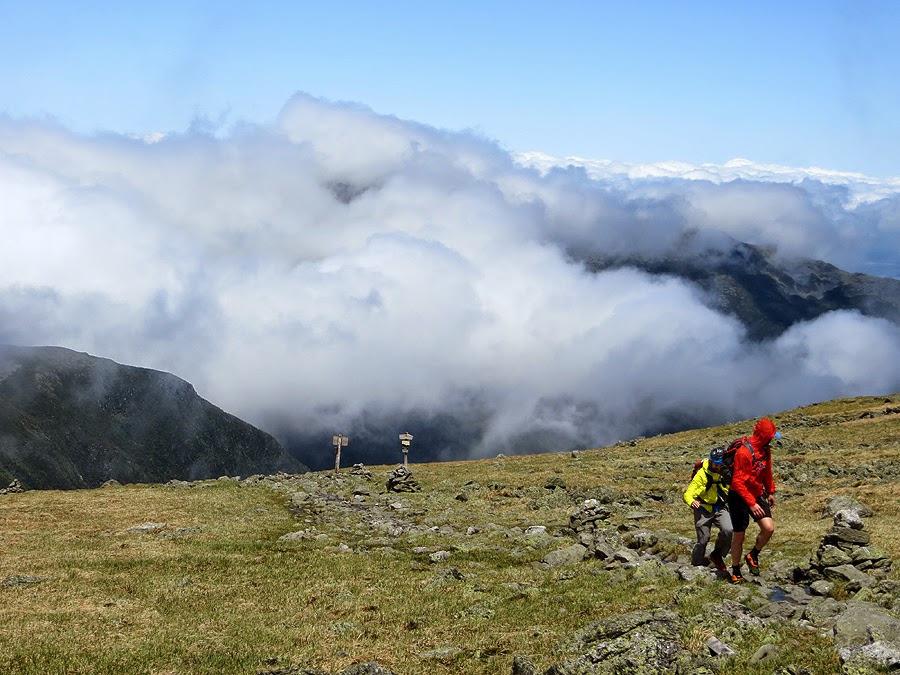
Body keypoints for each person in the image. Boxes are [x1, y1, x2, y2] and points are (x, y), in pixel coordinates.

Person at [727, 417, 781, 582]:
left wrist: (770, 491)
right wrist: (751, 503)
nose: (773, 439)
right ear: (764, 436)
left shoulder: (766, 449)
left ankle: (753, 554)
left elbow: (767, 470)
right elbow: (737, 481)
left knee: (768, 528)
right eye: (771, 436)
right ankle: (736, 571)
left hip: (757, 492)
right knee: (739, 535)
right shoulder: (744, 453)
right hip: (738, 496)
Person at [683, 447, 732, 572]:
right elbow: (688, 493)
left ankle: (717, 556)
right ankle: (696, 566)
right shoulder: (702, 474)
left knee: (728, 530)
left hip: (719, 507)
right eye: (715, 464)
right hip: (703, 509)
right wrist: (692, 502)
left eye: (720, 464)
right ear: (711, 462)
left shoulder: (726, 473)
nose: (718, 467)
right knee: (703, 540)